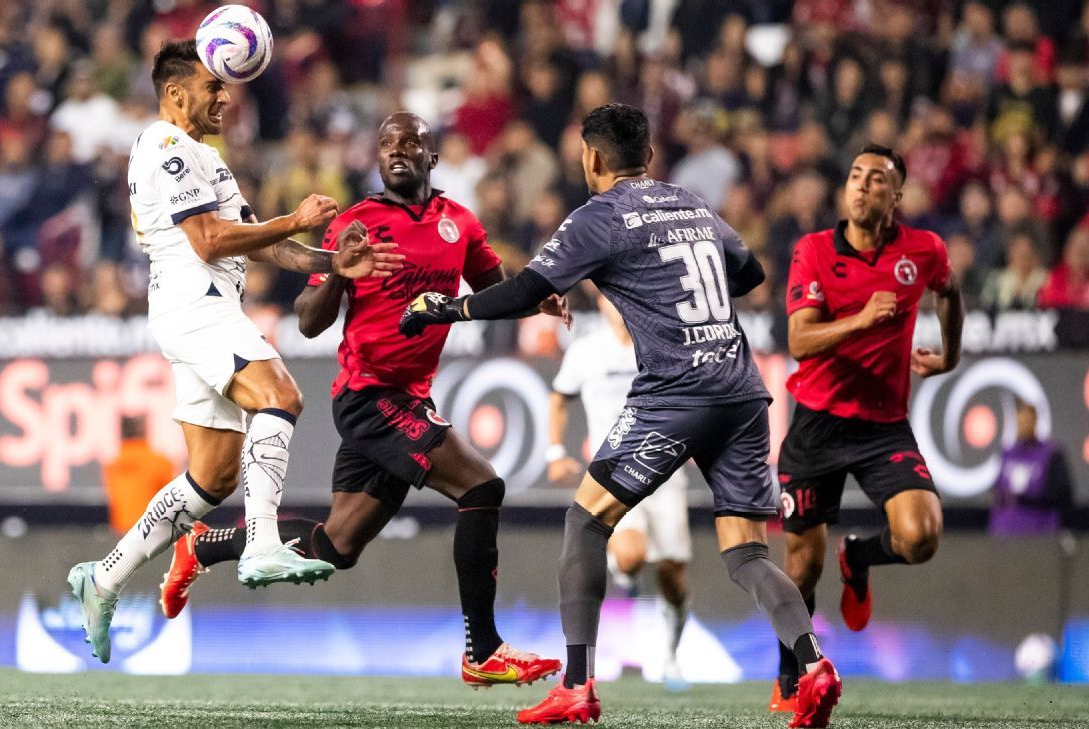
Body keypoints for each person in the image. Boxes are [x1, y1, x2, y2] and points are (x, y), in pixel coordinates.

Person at [399, 103, 841, 728]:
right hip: (742, 392)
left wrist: (444, 309)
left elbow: (525, 292)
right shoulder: (691, 203)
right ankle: (814, 663)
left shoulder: (600, 216)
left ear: (592, 158)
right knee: (746, 555)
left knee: (586, 522)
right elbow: (749, 272)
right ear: (649, 156)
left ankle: (577, 686)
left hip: (675, 394)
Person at [157, 111, 563, 688]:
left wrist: (538, 298)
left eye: (410, 142)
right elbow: (309, 321)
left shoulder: (460, 223)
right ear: (377, 157)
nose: (397, 150)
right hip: (368, 396)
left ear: (432, 157)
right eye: (387, 143)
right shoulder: (354, 224)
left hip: (407, 395)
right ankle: (484, 650)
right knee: (481, 486)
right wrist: (340, 274)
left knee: (336, 545)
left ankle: (204, 546)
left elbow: (496, 294)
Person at [66, 39, 403, 665]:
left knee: (212, 477)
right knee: (280, 395)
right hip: (196, 305)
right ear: (175, 93)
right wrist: (296, 218)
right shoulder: (165, 146)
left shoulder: (206, 158)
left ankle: (105, 577)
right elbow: (208, 240)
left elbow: (259, 244)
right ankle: (261, 543)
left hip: (203, 309)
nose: (224, 95)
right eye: (212, 86)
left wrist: (334, 261)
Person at [771, 143, 964, 712]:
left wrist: (950, 356)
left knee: (922, 536)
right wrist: (861, 319)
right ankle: (789, 678)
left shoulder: (923, 250)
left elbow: (949, 292)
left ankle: (858, 556)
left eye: (876, 179)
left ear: (895, 196)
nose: (861, 185)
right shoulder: (812, 250)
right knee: (801, 568)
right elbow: (799, 341)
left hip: (883, 427)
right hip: (817, 424)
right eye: (855, 174)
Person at [547, 293, 692, 689]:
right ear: (601, 303)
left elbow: (690, 397)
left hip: (666, 468)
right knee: (631, 555)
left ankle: (671, 654)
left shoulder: (664, 342)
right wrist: (555, 452)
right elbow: (559, 398)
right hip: (615, 472)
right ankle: (624, 569)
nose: (620, 304)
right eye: (611, 298)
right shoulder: (587, 350)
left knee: (672, 576)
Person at [990, 401, 1074, 536]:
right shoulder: (1008, 453)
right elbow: (997, 491)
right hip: (1005, 530)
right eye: (1020, 422)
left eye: (1027, 421)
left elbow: (1062, 496)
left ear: (1035, 421)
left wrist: (1026, 499)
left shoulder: (1052, 454)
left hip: (1039, 530)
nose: (1023, 426)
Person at [103, 417, 176, 534]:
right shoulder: (159, 462)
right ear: (144, 432)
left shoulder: (113, 464)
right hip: (153, 530)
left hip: (122, 531)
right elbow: (172, 498)